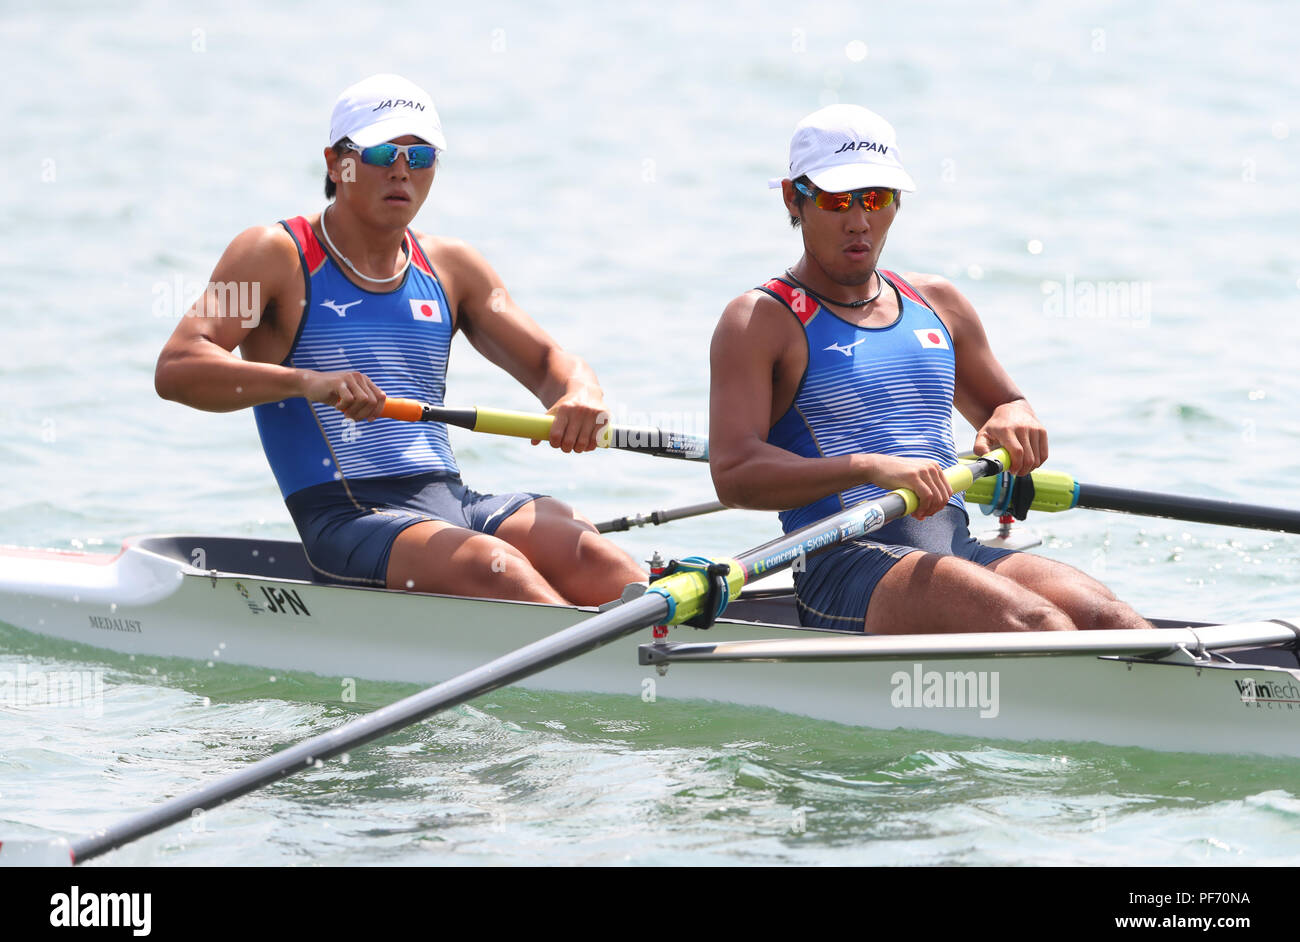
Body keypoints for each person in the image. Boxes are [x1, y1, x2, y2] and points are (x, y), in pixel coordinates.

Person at [155, 74, 644, 606]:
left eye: (421, 157)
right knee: (496, 568)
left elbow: (551, 361)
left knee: (591, 554)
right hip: (345, 515)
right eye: (382, 151)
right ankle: (597, 666)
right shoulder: (275, 254)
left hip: (452, 502)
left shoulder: (452, 267)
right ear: (335, 162)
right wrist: (307, 383)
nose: (400, 171)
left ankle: (656, 646)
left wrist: (580, 395)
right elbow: (179, 366)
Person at [708, 104, 1150, 634]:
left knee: (1115, 620)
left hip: (954, 546)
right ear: (792, 199)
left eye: (875, 198)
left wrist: (1015, 415)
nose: (859, 220)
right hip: (845, 564)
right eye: (835, 200)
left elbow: (1005, 405)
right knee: (1038, 624)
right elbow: (734, 477)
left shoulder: (937, 302)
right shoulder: (759, 321)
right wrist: (868, 467)